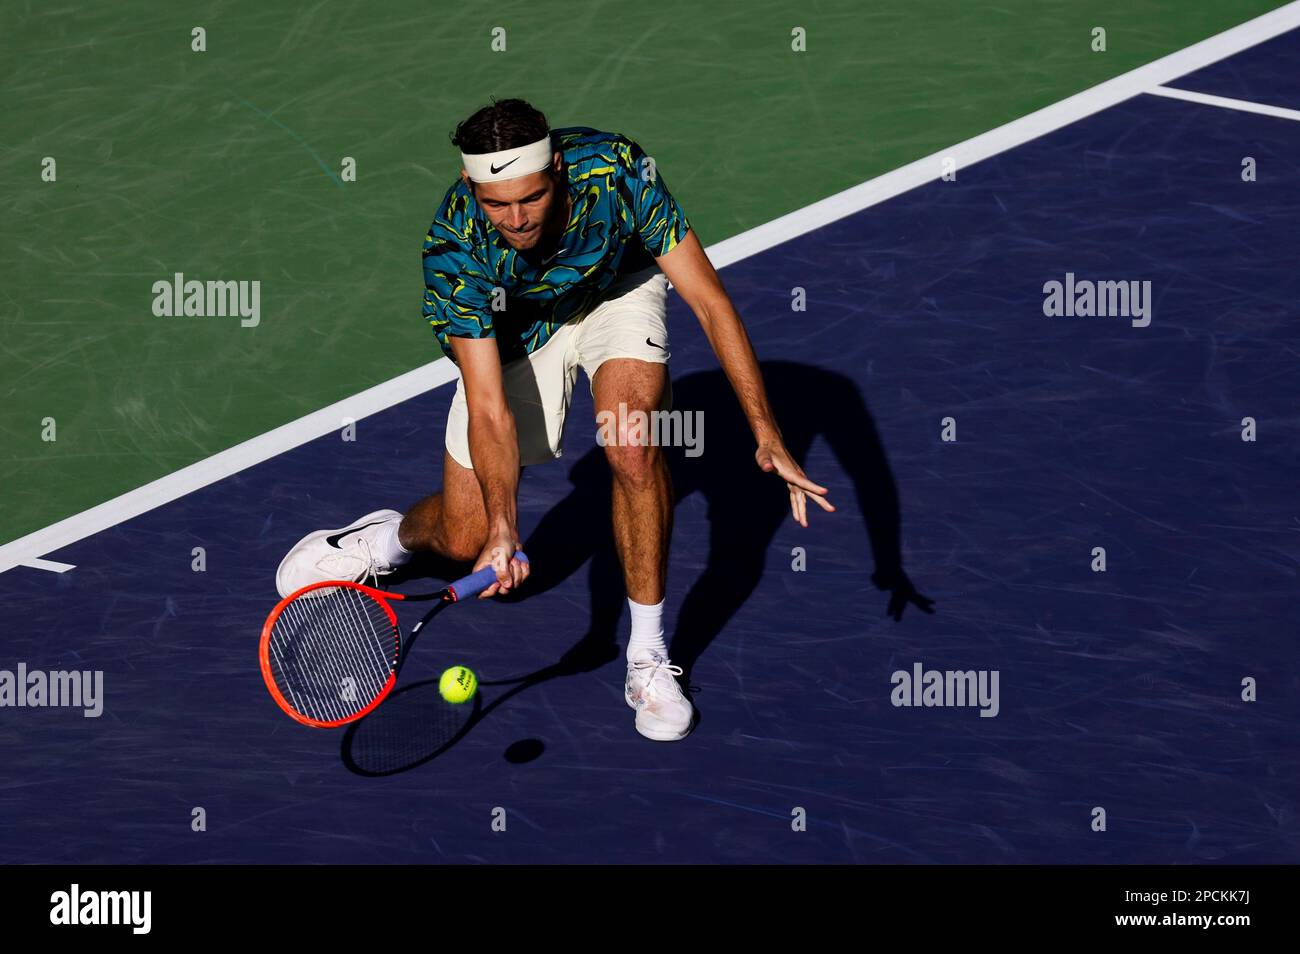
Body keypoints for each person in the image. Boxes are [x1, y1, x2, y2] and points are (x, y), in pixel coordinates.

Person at [276, 98, 833, 741]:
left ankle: (648, 657)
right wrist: (505, 529)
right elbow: (489, 405)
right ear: (470, 186)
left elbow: (710, 302)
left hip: (613, 291)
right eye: (497, 204)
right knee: (465, 539)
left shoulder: (618, 171)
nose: (516, 220)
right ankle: (382, 541)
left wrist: (765, 431)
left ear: (559, 170)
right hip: (517, 335)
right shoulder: (454, 249)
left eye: (532, 198)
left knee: (630, 443)